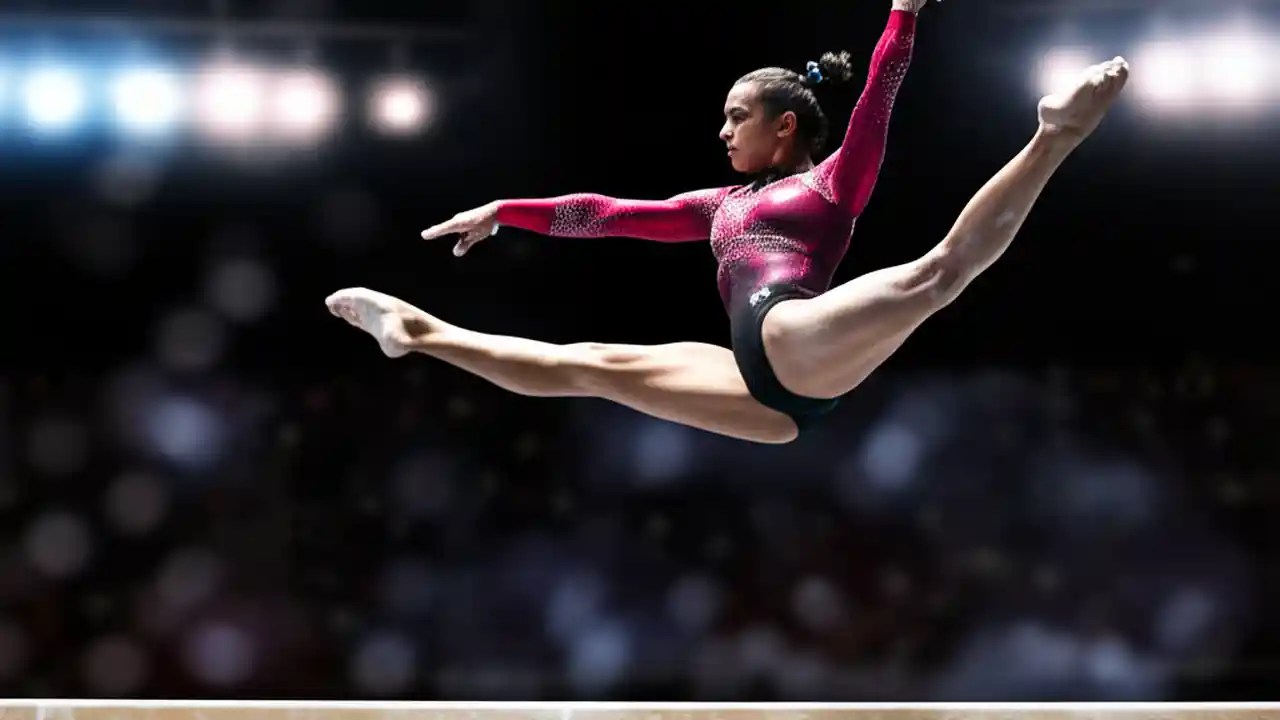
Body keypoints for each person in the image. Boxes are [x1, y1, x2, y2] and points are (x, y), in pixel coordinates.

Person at [326, 0, 1130, 445]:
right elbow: (607, 217)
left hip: (794, 338)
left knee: (937, 274)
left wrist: (903, 13)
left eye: (736, 116)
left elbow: (880, 91)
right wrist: (507, 211)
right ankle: (416, 331)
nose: (723, 131)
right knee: (588, 365)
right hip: (763, 393)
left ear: (784, 126)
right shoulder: (718, 209)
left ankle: (1056, 133)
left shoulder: (831, 184)